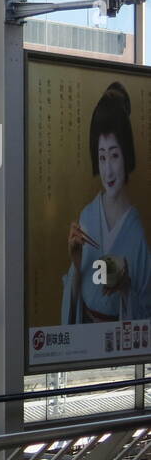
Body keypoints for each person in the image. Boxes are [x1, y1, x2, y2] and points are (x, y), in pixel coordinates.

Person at [62, 81, 151, 324]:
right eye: (102, 158)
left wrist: (125, 289)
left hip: (120, 334)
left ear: (126, 156)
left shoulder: (138, 232)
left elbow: (145, 309)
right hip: (87, 333)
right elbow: (75, 292)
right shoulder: (87, 216)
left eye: (114, 155)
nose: (108, 170)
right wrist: (77, 263)